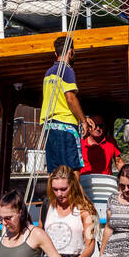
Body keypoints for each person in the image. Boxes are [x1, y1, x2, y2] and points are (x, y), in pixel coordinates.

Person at [41, 36, 85, 172]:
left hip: (48, 127)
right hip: (65, 126)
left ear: (56, 54)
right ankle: (75, 194)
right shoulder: (67, 70)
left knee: (55, 171)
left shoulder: (48, 73)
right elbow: (70, 98)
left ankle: (55, 193)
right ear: (71, 51)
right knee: (73, 168)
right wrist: (82, 120)